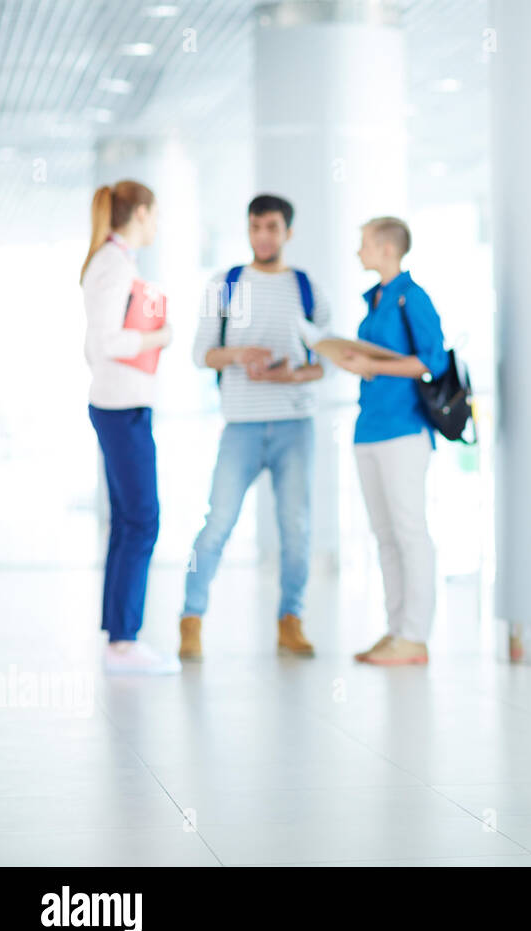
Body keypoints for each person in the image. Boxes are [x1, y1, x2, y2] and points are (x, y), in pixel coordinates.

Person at [179, 194, 331, 659]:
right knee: (217, 523)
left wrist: (292, 373)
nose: (262, 236)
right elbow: (200, 353)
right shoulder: (225, 284)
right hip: (241, 425)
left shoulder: (306, 288)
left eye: (270, 227)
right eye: (254, 227)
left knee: (297, 527)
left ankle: (291, 619)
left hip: (294, 425)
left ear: (287, 231)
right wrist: (238, 355)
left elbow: (326, 362)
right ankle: (191, 619)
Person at [328, 216, 448, 666]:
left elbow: (430, 361)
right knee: (384, 535)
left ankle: (415, 636)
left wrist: (373, 366)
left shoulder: (411, 297)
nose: (358, 251)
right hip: (370, 428)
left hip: (405, 429)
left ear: (384, 248)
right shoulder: (375, 300)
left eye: (363, 244)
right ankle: (396, 629)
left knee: (409, 532)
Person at [82, 180, 180, 675]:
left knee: (128, 522)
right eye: (155, 214)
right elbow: (106, 342)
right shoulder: (114, 264)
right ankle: (123, 641)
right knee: (142, 519)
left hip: (119, 404)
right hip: (122, 408)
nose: (157, 225)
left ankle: (119, 637)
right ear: (139, 213)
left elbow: (92, 345)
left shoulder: (112, 261)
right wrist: (159, 334)